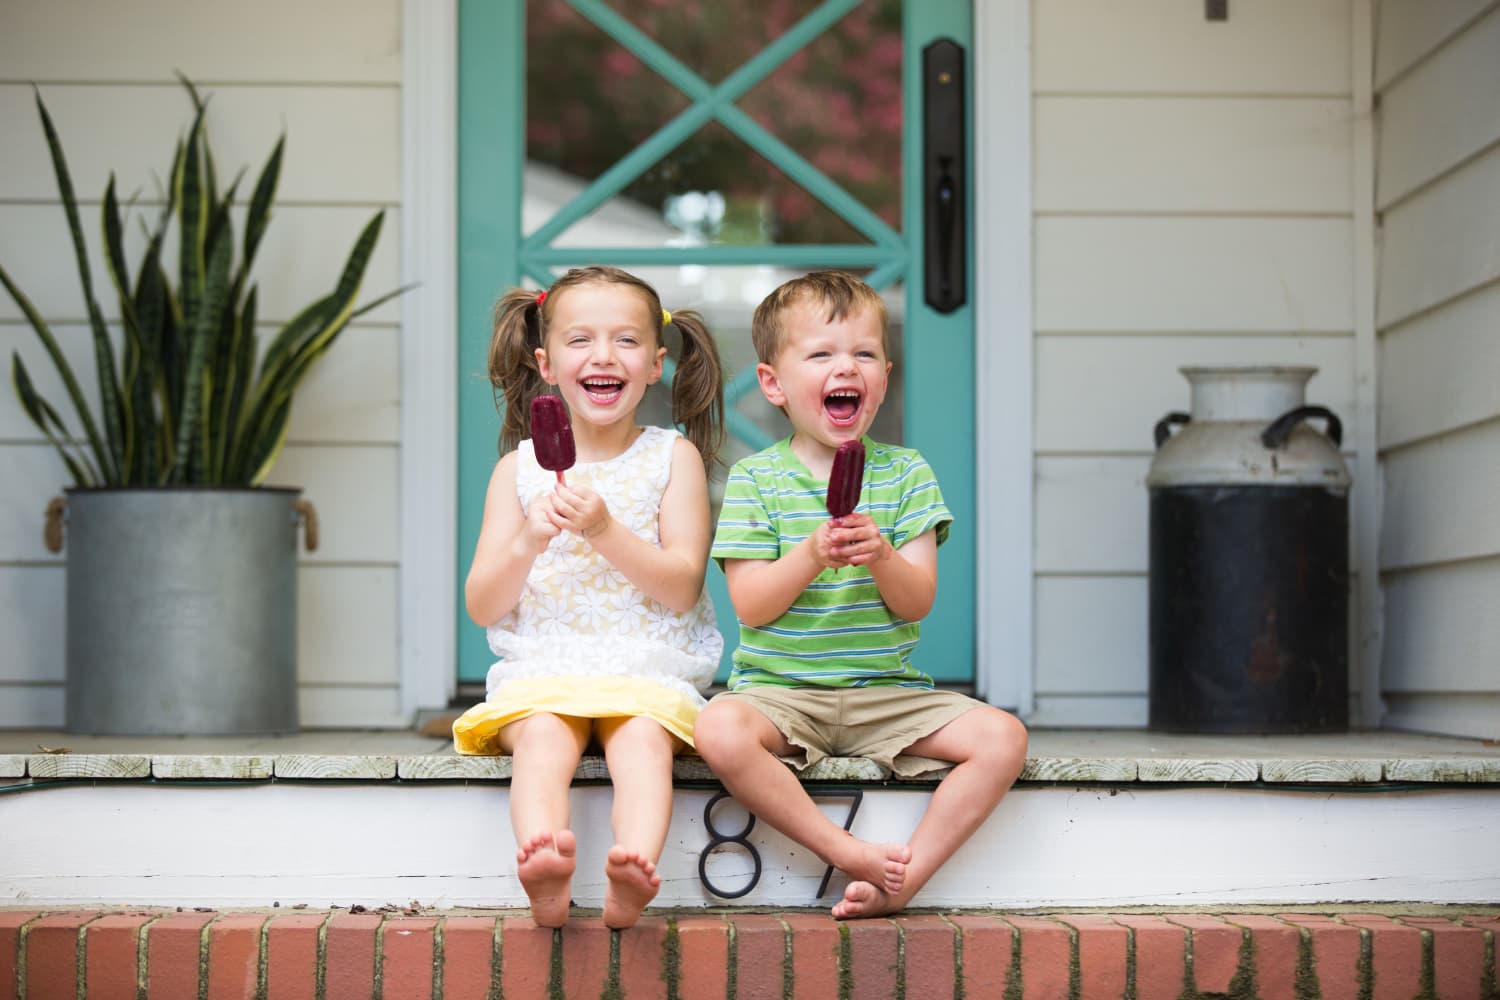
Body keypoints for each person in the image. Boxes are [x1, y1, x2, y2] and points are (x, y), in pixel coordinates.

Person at [695, 270, 1028, 919]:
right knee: (719, 729)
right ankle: (847, 851)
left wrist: (880, 557)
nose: (846, 366)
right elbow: (752, 606)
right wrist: (811, 554)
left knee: (1003, 738)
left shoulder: (905, 474)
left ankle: (903, 879)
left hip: (887, 695)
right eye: (821, 354)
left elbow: (916, 602)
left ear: (884, 375)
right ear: (773, 383)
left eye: (864, 353)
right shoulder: (755, 480)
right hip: (781, 694)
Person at [452, 265, 726, 929]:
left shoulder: (673, 458)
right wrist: (526, 541)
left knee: (642, 744)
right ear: (546, 365)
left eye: (626, 341)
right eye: (581, 341)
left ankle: (633, 871)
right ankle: (543, 872)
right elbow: (484, 605)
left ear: (657, 364)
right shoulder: (517, 472)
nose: (604, 356)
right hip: (544, 663)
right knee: (543, 739)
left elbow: (682, 583)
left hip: (647, 663)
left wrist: (604, 529)